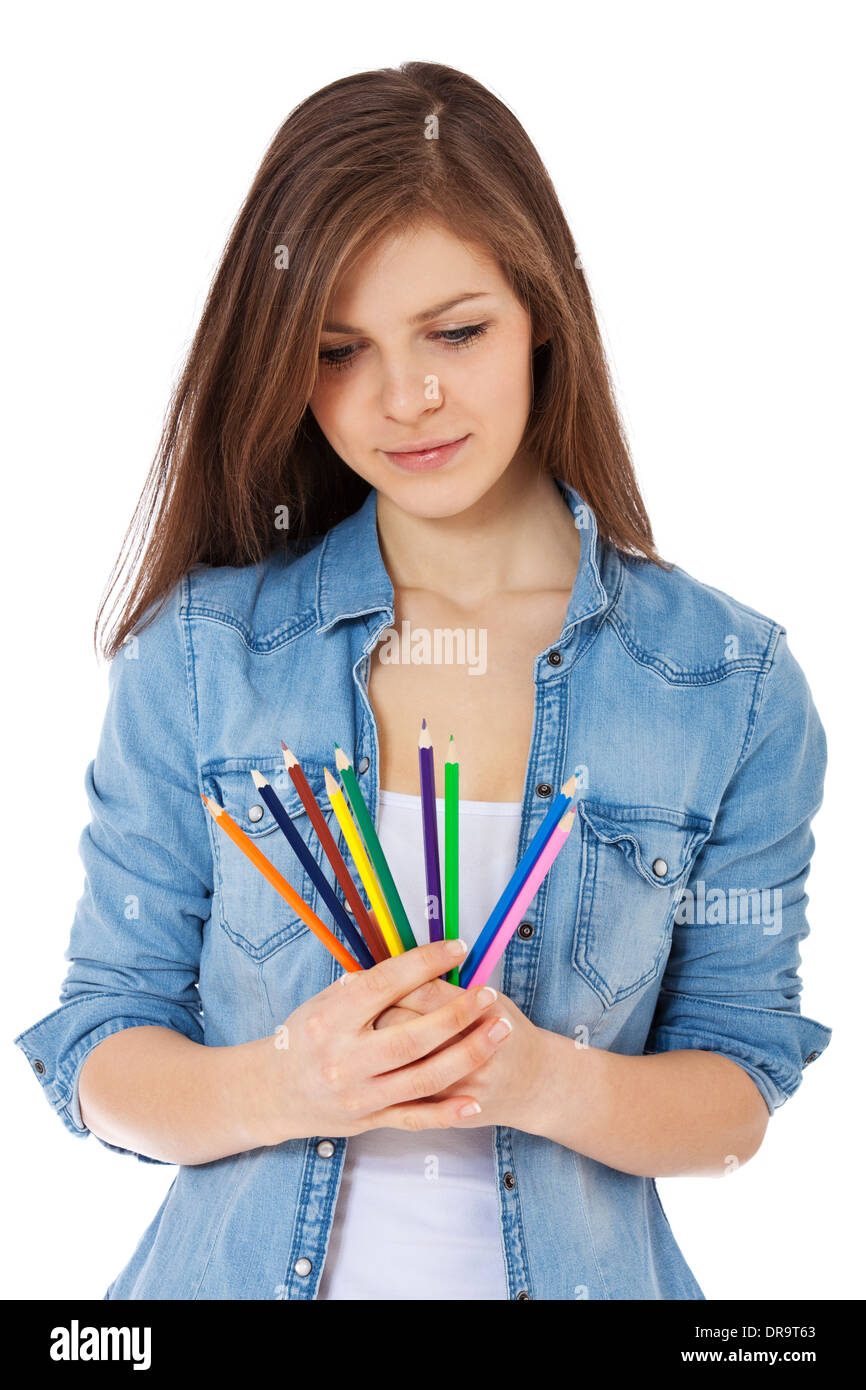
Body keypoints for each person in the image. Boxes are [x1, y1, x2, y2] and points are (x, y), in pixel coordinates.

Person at [13, 61, 831, 1301]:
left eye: (456, 330)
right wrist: (289, 1079)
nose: (406, 398)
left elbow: (735, 1093)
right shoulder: (201, 656)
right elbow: (99, 1042)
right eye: (339, 350)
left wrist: (538, 1075)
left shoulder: (726, 682)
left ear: (542, 309)